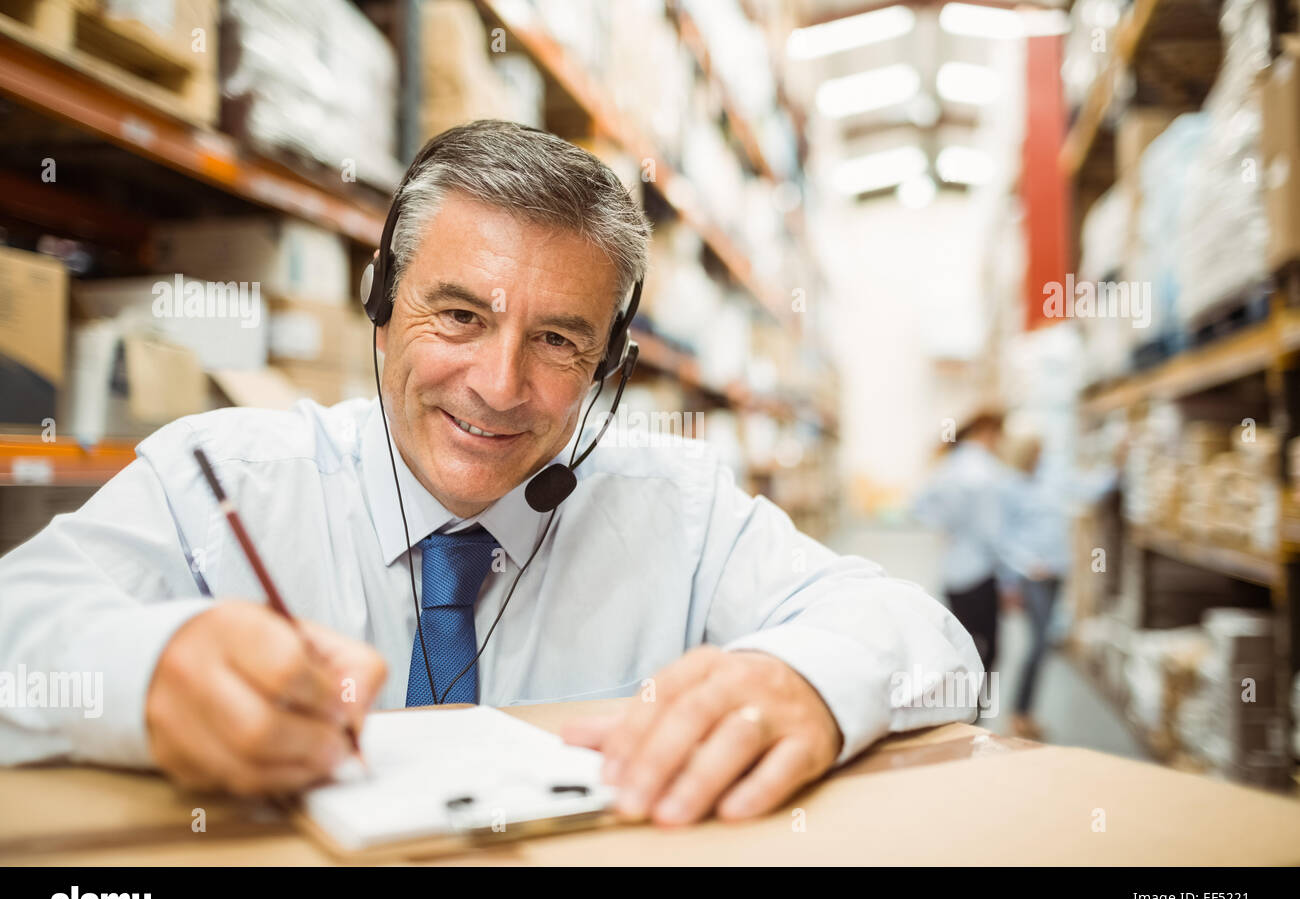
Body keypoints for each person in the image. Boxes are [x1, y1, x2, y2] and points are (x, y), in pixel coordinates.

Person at [0, 120, 980, 827]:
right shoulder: (218, 476)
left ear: (609, 367)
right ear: (379, 299)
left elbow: (934, 644)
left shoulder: (678, 508)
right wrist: (153, 672)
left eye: (558, 339)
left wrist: (806, 680)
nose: (499, 385)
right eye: (459, 316)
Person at [1000, 430, 1119, 740]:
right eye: (1035, 452)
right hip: (1032, 575)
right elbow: (1002, 538)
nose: (1040, 457)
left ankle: (1025, 715)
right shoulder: (1010, 487)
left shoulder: (1052, 477)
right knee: (1038, 644)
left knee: (1044, 644)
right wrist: (1022, 569)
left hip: (1056, 571)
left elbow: (1088, 490)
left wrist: (1117, 466)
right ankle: (1017, 714)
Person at [912, 411, 1015, 697]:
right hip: (980, 573)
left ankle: (961, 713)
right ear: (989, 433)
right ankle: (975, 714)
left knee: (962, 647)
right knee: (990, 652)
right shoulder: (985, 472)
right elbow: (992, 533)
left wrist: (949, 528)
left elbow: (920, 507)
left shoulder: (950, 466)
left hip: (954, 571)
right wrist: (1010, 579)